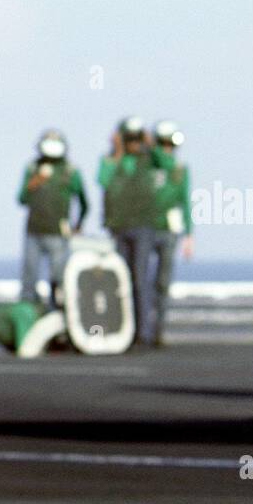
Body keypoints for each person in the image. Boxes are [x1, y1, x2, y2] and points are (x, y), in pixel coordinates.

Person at [98, 116, 169, 348]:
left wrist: (151, 144)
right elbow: (103, 179)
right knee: (120, 280)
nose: (132, 142)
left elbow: (168, 165)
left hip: (143, 226)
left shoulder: (149, 159)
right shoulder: (113, 160)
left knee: (140, 279)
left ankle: (143, 333)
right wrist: (117, 152)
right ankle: (122, 331)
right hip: (118, 226)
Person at [17, 130, 88, 307]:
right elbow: (21, 198)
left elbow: (84, 202)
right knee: (29, 277)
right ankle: (29, 314)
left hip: (58, 233)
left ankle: (56, 312)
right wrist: (35, 182)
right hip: (33, 231)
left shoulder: (71, 171)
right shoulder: (32, 168)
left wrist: (78, 225)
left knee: (58, 277)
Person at [151, 120, 193, 346]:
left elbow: (185, 201)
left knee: (162, 282)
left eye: (170, 144)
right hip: (147, 227)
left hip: (169, 231)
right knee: (142, 281)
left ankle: (158, 330)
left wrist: (189, 235)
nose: (167, 148)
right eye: (163, 143)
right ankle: (143, 330)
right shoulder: (147, 166)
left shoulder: (179, 170)